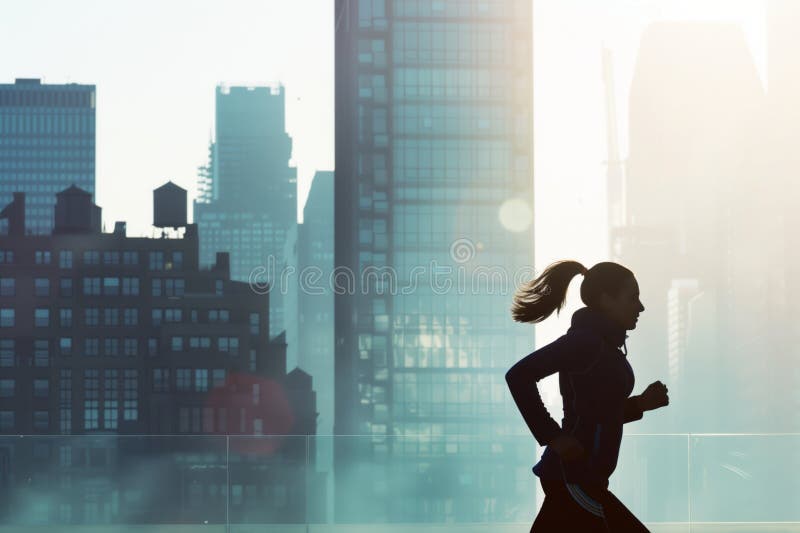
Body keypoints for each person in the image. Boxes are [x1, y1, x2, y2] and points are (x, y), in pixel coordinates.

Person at [505, 260, 669, 532]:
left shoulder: (602, 345)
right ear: (606, 300)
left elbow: (598, 414)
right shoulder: (585, 342)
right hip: (575, 479)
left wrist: (640, 404)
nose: (640, 307)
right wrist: (554, 436)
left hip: (580, 479)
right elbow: (519, 376)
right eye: (633, 297)